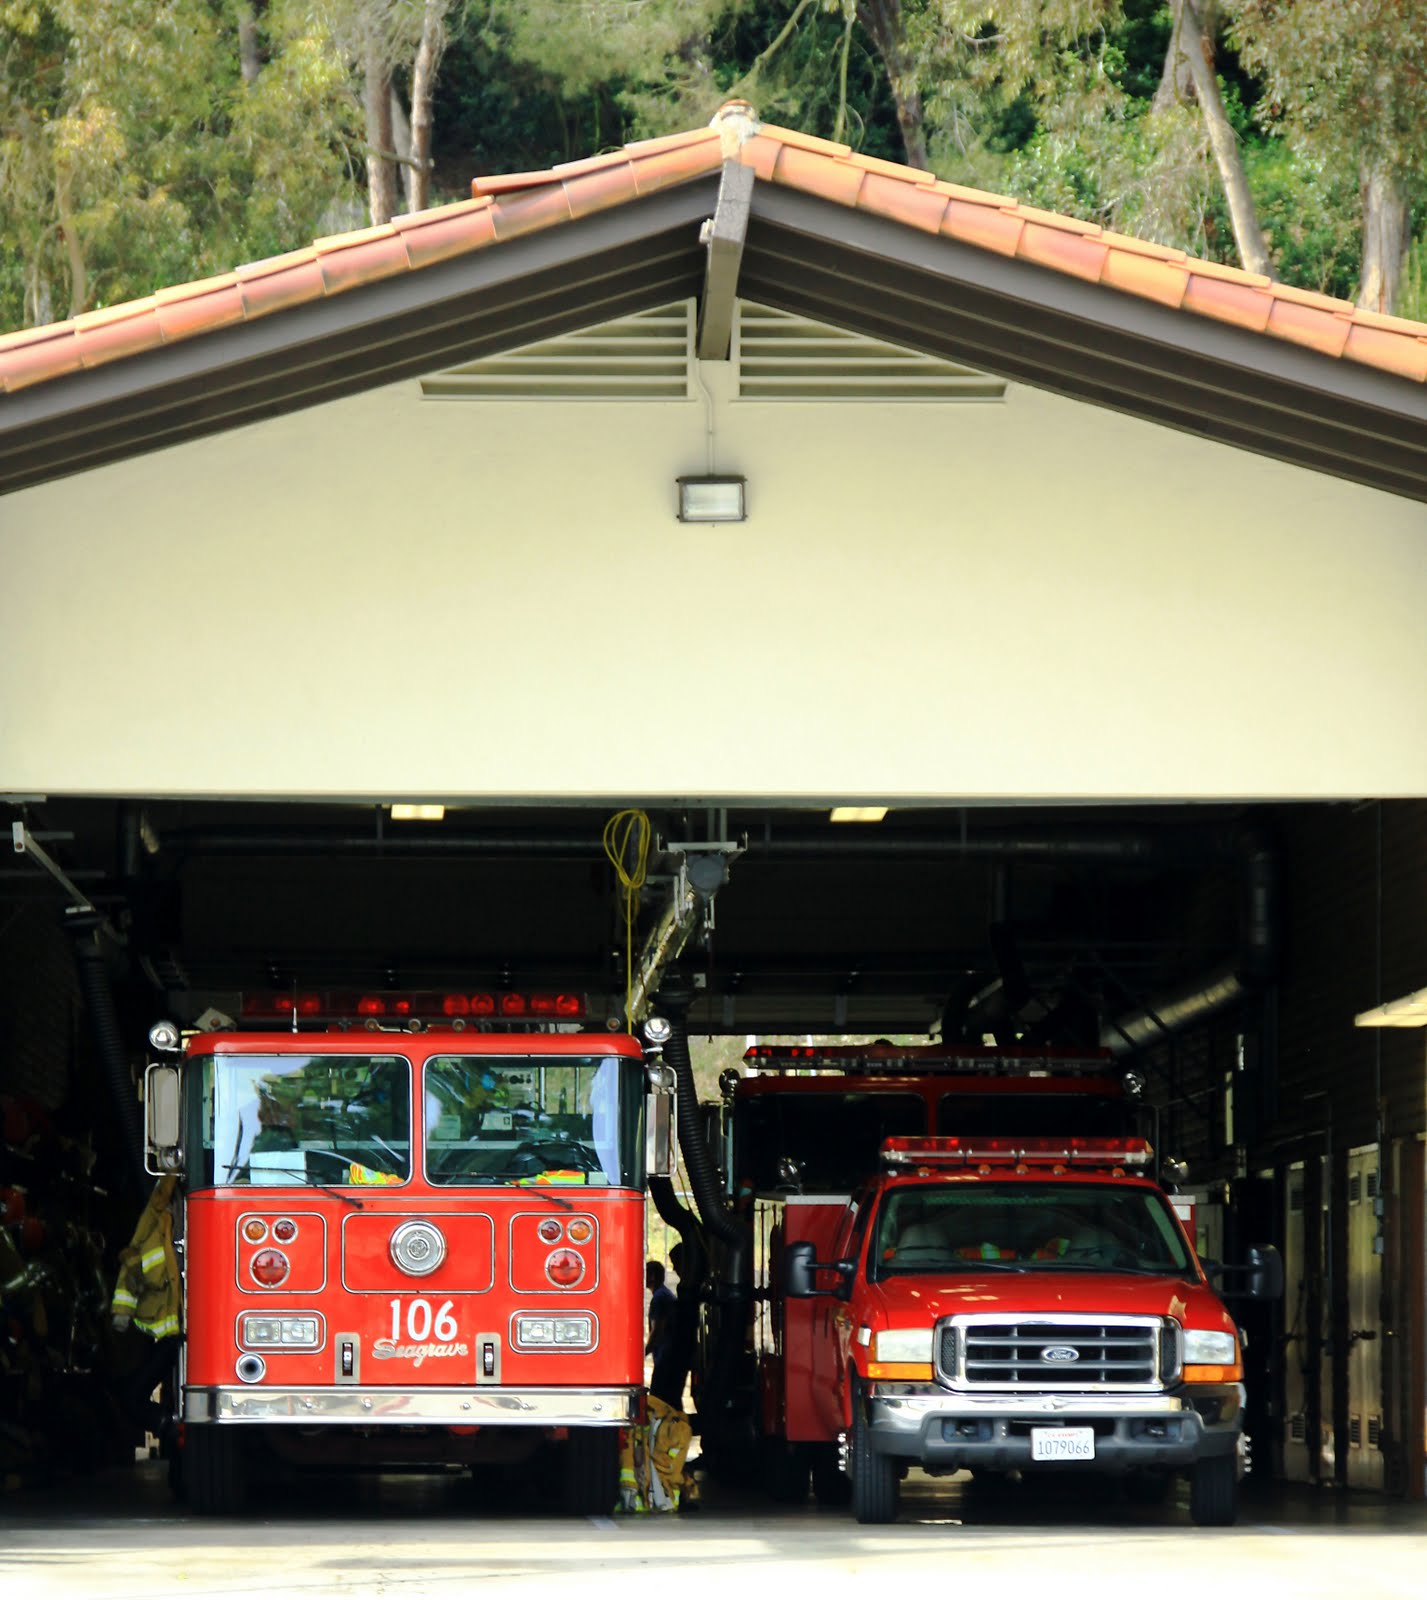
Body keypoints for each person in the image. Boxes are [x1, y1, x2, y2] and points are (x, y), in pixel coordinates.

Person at [645, 1259, 678, 1406]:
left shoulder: (659, 1298)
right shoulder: (666, 1295)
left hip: (665, 1357)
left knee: (658, 1400)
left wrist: (645, 1351)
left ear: (652, 1276)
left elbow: (657, 1329)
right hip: (670, 1355)